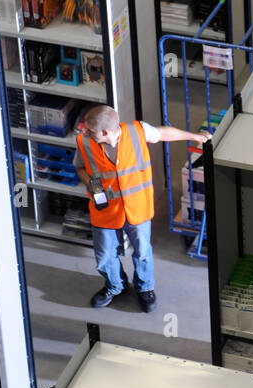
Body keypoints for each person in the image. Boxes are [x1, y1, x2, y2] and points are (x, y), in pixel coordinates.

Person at [74, 105, 210, 313]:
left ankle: (145, 288)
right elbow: (80, 166)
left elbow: (163, 133)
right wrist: (92, 185)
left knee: (143, 252)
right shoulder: (85, 142)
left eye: (91, 130)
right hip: (105, 209)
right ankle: (115, 286)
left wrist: (195, 137)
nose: (86, 132)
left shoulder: (138, 132)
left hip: (137, 208)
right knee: (104, 256)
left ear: (106, 132)